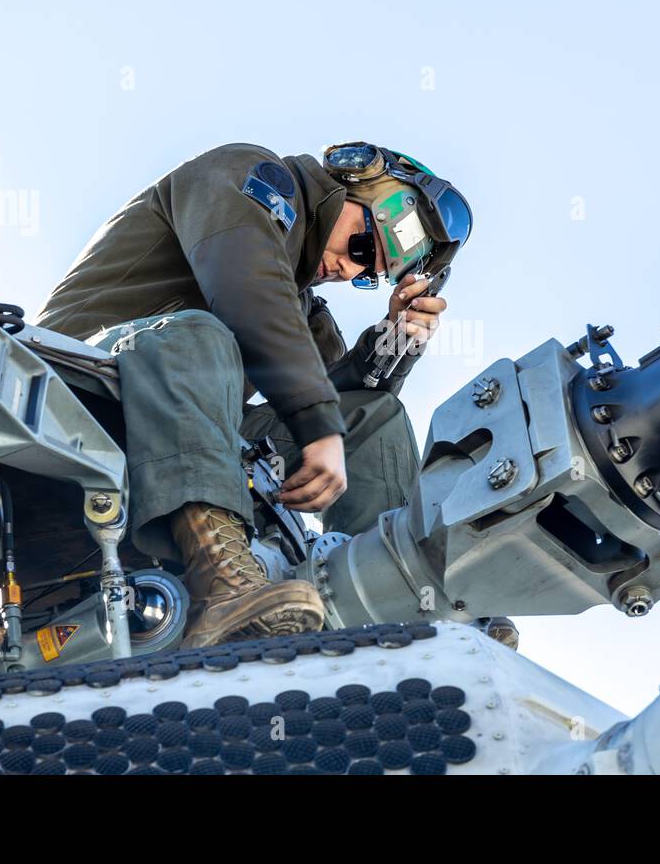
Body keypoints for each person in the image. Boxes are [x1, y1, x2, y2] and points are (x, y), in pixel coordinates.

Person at [34, 142, 472, 647]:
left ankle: (392, 606)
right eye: (359, 248)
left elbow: (335, 398)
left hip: (181, 431)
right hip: (77, 393)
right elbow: (247, 287)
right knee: (199, 334)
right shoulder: (244, 176)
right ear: (351, 183)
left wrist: (394, 340)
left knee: (376, 416)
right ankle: (224, 586)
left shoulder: (299, 305)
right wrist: (318, 422)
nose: (352, 272)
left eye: (369, 273)